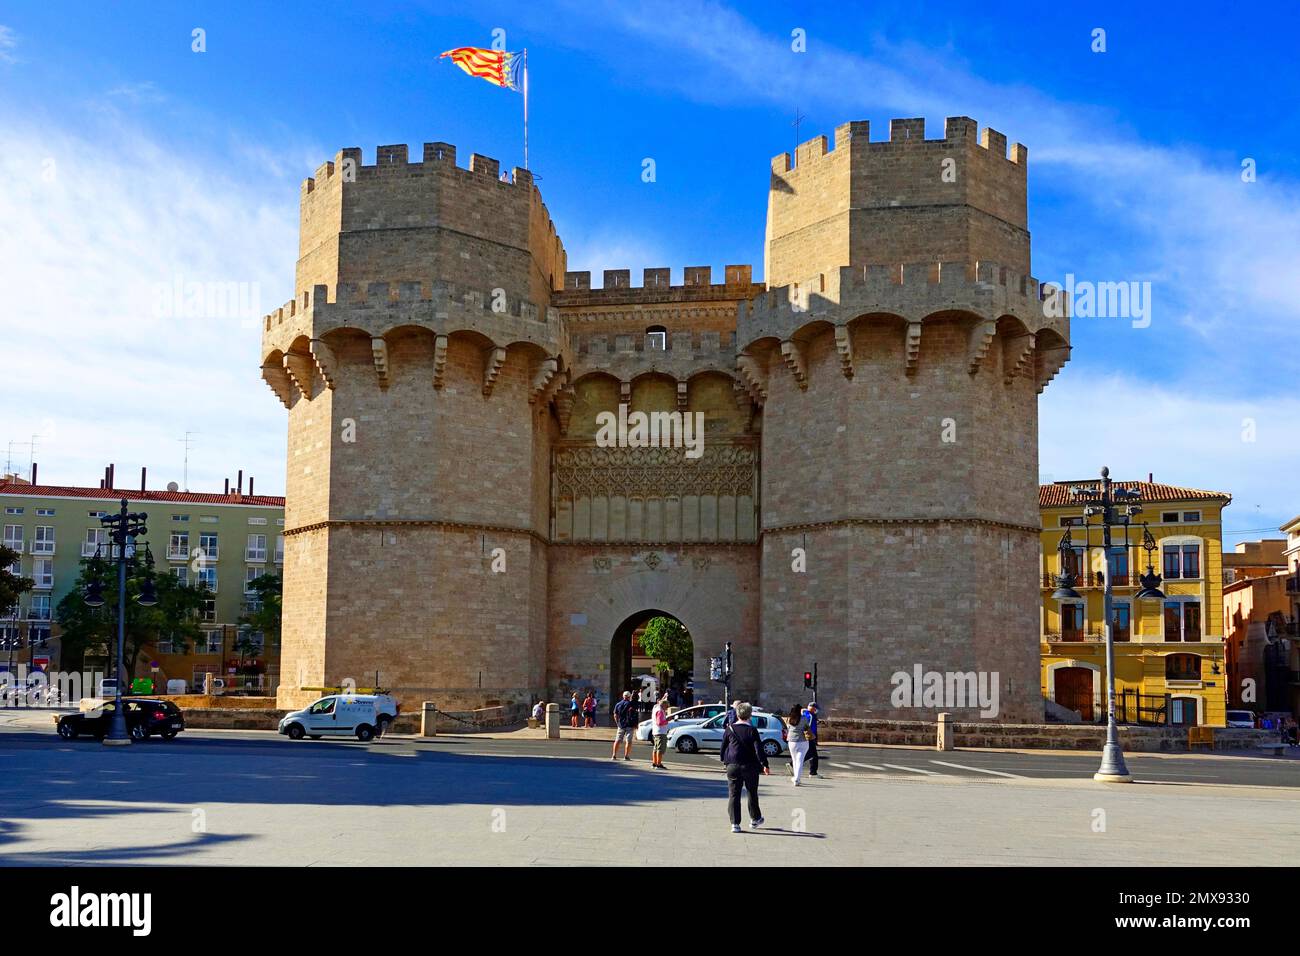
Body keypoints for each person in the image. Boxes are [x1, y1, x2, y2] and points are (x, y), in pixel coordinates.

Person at [720, 701, 769, 832]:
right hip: (750, 766)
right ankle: (755, 819)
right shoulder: (752, 730)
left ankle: (735, 824)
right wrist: (765, 764)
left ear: (737, 714)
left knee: (734, 794)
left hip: (733, 765)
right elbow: (759, 749)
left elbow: (723, 747)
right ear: (750, 715)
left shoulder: (729, 729)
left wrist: (724, 761)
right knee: (752, 792)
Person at [786, 704, 810, 785]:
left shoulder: (789, 719)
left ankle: (796, 778)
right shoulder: (804, 718)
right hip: (802, 741)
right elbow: (807, 727)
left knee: (795, 760)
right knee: (800, 760)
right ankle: (797, 779)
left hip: (792, 741)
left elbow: (788, 728)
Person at [612, 691, 638, 760]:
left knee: (617, 740)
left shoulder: (618, 704)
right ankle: (626, 756)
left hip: (621, 724)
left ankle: (614, 755)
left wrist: (617, 723)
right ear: (629, 697)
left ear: (623, 696)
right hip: (629, 724)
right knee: (628, 741)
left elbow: (615, 715)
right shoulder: (631, 704)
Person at [650, 694, 671, 769]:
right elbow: (659, 722)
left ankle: (654, 763)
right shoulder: (660, 711)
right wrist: (667, 720)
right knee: (660, 749)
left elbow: (659, 703)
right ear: (664, 705)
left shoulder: (655, 707)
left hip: (655, 731)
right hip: (660, 732)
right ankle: (658, 764)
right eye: (667, 706)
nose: (667, 708)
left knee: (655, 748)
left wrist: (664, 696)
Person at [802, 701, 820, 776]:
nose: (816, 710)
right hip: (809, 736)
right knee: (812, 755)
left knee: (811, 754)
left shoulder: (806, 714)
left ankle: (813, 772)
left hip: (809, 737)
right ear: (813, 708)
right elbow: (808, 726)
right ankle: (813, 773)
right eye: (815, 709)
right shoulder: (810, 715)